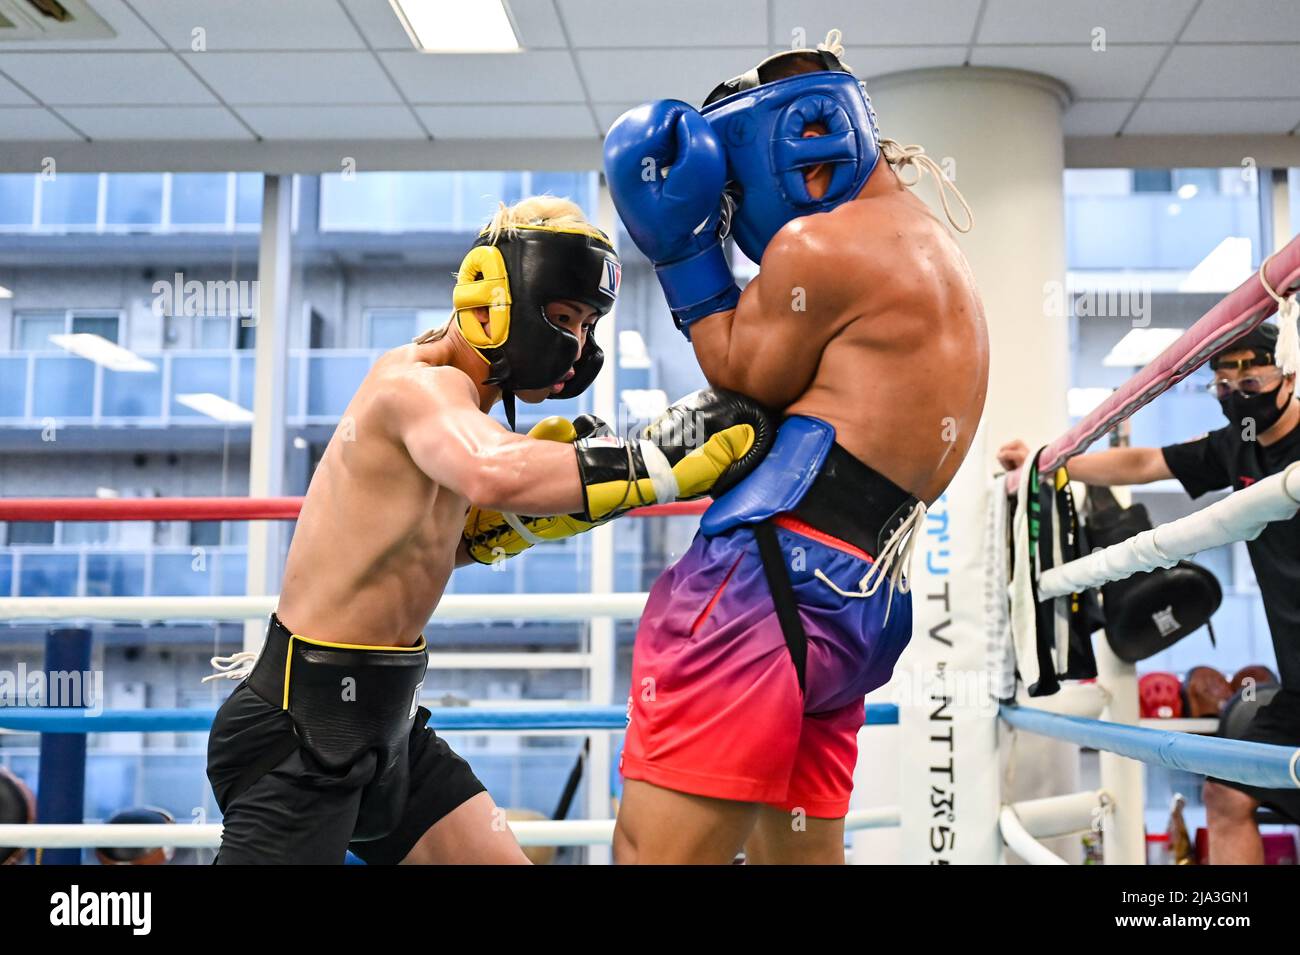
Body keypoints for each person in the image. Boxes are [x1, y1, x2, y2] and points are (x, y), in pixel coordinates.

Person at [205, 196, 773, 864]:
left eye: (588, 325)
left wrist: (503, 529)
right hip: (300, 735)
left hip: (388, 731)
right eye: (564, 317)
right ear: (493, 298)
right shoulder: (419, 386)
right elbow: (495, 472)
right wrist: (652, 458)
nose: (578, 344)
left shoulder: (461, 409)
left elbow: (432, 534)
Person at [604, 31, 989, 863]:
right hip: (862, 600)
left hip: (766, 580)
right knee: (803, 858)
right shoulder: (935, 249)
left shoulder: (820, 245)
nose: (739, 215)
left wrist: (683, 251)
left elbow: (743, 374)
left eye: (735, 191)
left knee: (651, 856)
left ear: (805, 153)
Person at [997, 322, 1300, 864]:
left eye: (1250, 384)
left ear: (1288, 373)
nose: (1237, 397)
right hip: (1297, 681)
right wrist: (1049, 463)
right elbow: (1144, 463)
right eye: (1224, 388)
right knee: (1227, 792)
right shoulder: (1236, 448)